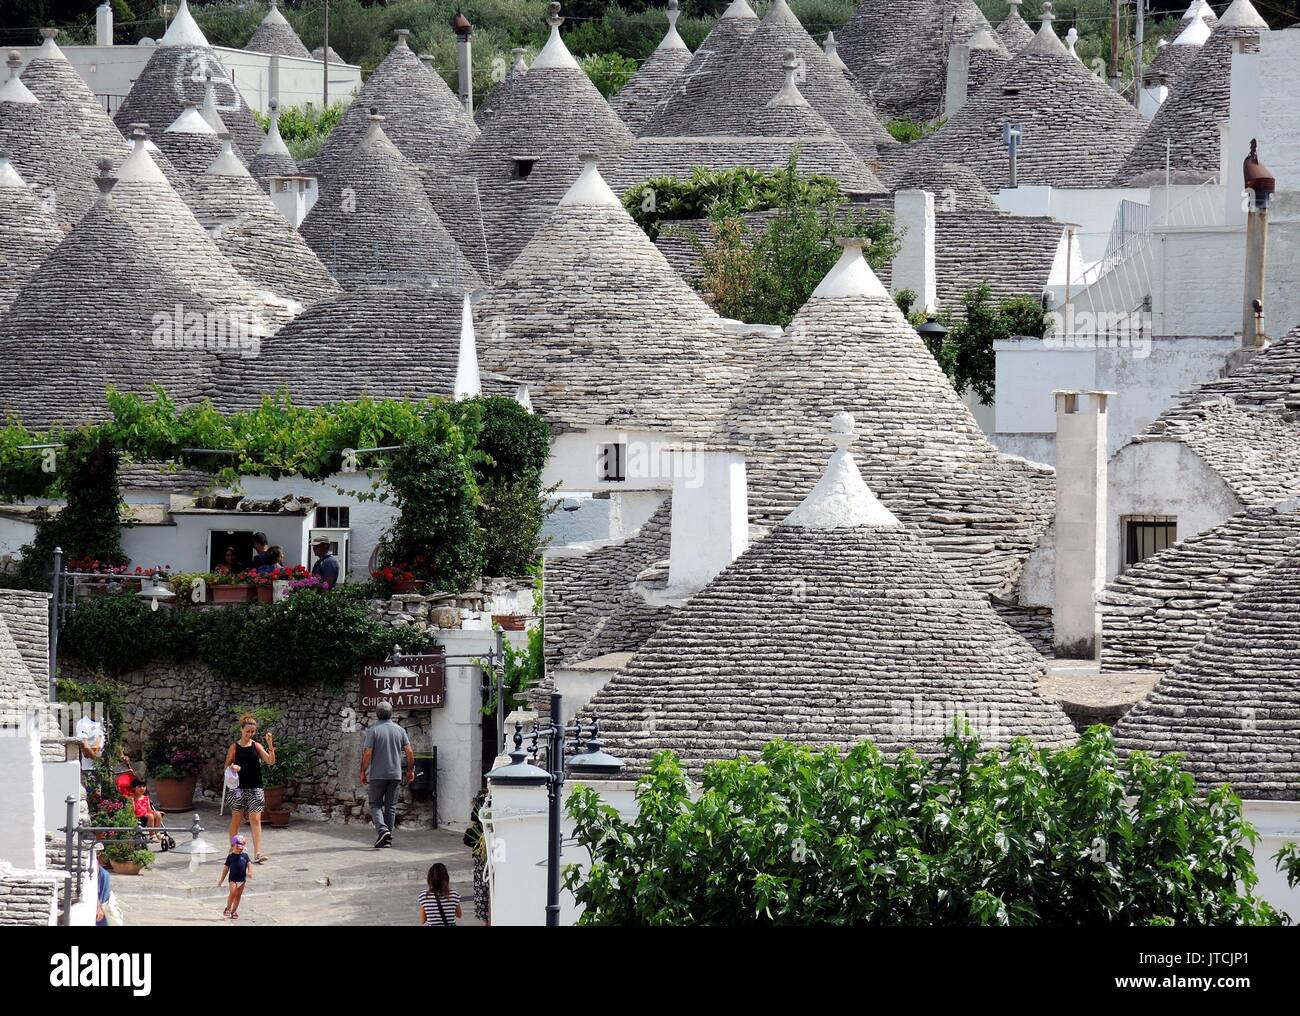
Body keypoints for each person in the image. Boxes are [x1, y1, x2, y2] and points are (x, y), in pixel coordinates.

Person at [359, 700, 413, 849]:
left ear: (377, 714)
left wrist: (362, 771)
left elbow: (368, 753)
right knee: (391, 807)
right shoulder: (400, 730)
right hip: (395, 774)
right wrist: (410, 770)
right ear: (391, 713)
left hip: (378, 774)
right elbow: (409, 751)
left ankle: (383, 830)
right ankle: (387, 839)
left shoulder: (373, 730)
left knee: (375, 804)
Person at [223, 714, 276, 864]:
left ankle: (258, 853)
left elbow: (270, 761)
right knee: (237, 819)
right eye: (247, 731)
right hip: (238, 788)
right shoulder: (234, 747)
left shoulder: (256, 746)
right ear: (241, 730)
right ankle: (233, 846)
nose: (250, 734)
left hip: (255, 787)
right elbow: (226, 767)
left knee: (255, 819)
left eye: (252, 732)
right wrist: (233, 767)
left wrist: (270, 744)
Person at [465, 790, 490, 925]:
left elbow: (473, 822)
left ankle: (484, 920)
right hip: (498, 848)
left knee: (481, 886)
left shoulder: (483, 802)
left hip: (482, 849)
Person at [417, 862, 462, 927]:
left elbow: (422, 921)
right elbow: (459, 915)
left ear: (430, 879)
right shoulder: (454, 895)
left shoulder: (424, 896)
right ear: (446, 878)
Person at [218, 835, 252, 919]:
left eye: (241, 848)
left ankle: (234, 911)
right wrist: (222, 880)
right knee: (233, 892)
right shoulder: (230, 857)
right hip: (233, 879)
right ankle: (228, 908)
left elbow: (249, 864)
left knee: (238, 895)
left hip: (242, 879)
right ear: (233, 846)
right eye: (238, 847)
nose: (240, 849)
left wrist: (250, 872)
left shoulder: (245, 856)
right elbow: (226, 869)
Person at [75, 707, 105, 791]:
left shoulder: (104, 721)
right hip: (90, 768)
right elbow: (84, 744)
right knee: (93, 796)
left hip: (105, 767)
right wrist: (97, 759)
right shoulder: (83, 723)